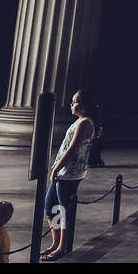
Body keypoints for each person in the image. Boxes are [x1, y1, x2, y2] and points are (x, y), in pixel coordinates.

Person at [41, 91, 94, 261]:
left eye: (74, 102)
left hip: (70, 174)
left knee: (63, 211)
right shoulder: (79, 122)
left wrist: (56, 168)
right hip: (64, 172)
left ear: (84, 105)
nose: (71, 105)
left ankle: (61, 248)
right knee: (51, 208)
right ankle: (55, 243)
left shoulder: (85, 123)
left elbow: (72, 149)